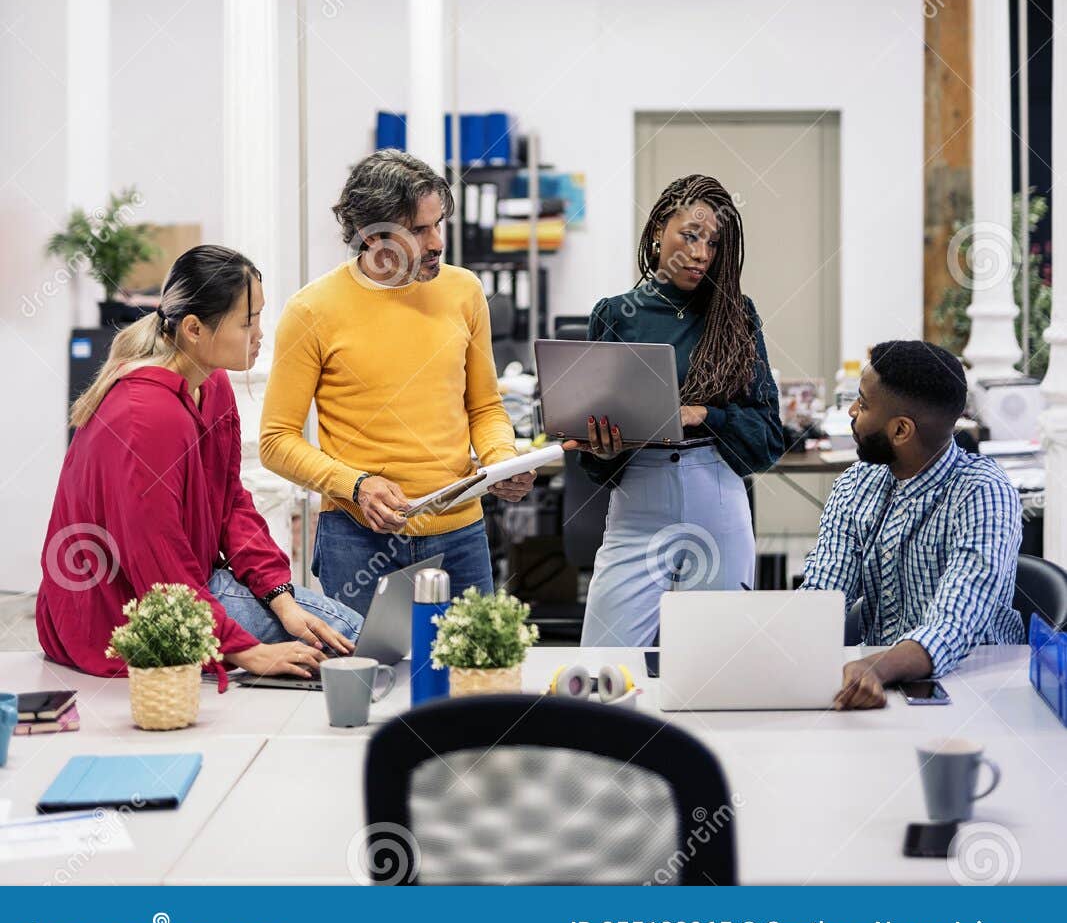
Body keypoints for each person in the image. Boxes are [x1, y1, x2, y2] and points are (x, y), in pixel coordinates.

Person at [38, 246, 362, 680]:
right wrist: (248, 653)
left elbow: (230, 502)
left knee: (336, 635)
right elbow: (158, 562)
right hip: (124, 612)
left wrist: (280, 597)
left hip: (187, 585)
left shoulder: (213, 384)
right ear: (193, 328)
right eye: (247, 322)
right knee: (344, 636)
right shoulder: (147, 415)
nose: (260, 334)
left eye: (260, 317)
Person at [260, 149, 534, 612]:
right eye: (420, 229)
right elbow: (275, 441)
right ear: (372, 235)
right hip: (358, 540)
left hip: (460, 534)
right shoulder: (312, 311)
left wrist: (501, 461)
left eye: (439, 223)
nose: (437, 243)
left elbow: (485, 408)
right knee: (371, 681)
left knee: (474, 678)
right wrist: (356, 484)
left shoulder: (464, 291)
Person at [571, 174, 783, 648]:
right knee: (601, 665)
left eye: (713, 242)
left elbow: (769, 437)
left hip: (718, 499)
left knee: (713, 669)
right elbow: (594, 463)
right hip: (638, 504)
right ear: (656, 232)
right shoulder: (614, 314)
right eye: (690, 234)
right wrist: (604, 449)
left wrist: (705, 415)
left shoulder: (736, 317)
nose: (702, 253)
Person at [802, 339, 1025, 710]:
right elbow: (823, 596)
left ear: (901, 431)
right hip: (877, 686)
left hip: (981, 692)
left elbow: (954, 624)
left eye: (864, 403)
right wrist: (769, 643)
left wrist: (877, 666)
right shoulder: (856, 483)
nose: (853, 411)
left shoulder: (983, 493)